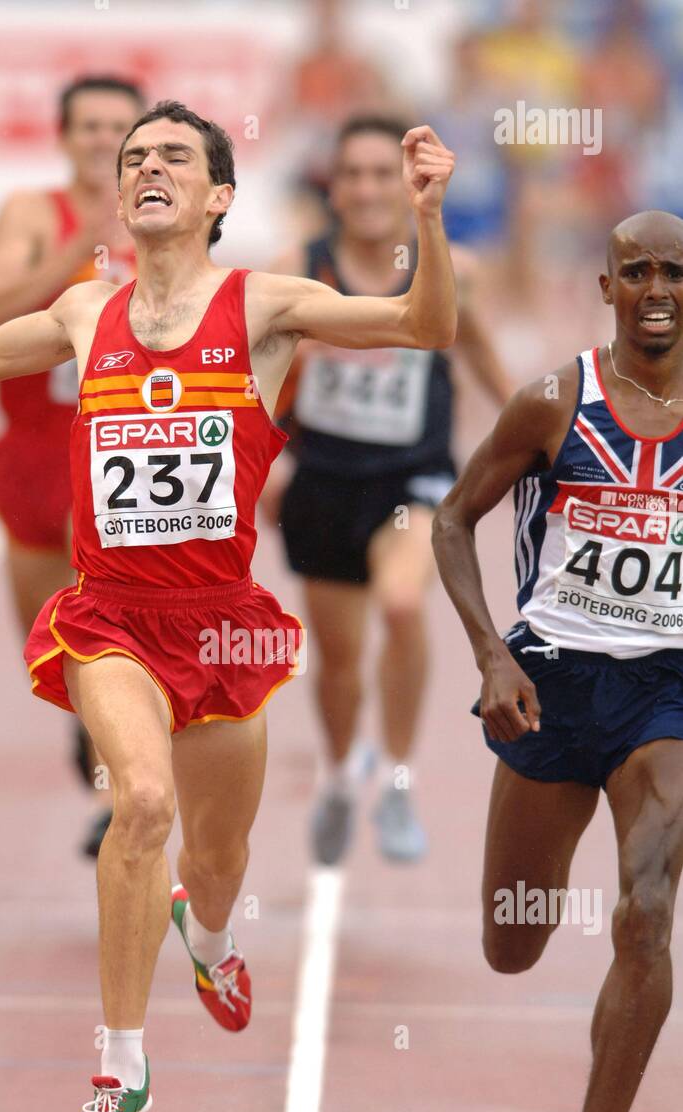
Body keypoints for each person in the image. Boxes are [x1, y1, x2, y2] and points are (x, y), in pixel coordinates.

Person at [0, 102, 456, 1112]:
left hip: (223, 627)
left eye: (174, 156)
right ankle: (120, 1068)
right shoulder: (88, 310)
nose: (147, 168)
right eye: (135, 157)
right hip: (111, 616)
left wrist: (430, 214)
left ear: (219, 195)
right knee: (138, 801)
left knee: (217, 862)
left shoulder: (267, 304)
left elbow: (424, 324)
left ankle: (214, 939)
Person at [432, 209, 683, 1112]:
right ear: (608, 287)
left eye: (675, 271)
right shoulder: (555, 401)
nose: (658, 288)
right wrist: (493, 655)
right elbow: (451, 520)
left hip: (664, 695)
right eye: (638, 272)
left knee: (647, 910)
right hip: (551, 687)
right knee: (512, 944)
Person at [268, 115, 509, 864]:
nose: (369, 189)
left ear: (407, 183)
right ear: (332, 188)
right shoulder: (295, 271)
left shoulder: (450, 268)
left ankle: (398, 781)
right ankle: (343, 774)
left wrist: (537, 443)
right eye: (354, 174)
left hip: (415, 478)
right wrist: (267, 463)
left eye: (384, 173)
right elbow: (252, 380)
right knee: (337, 662)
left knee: (402, 604)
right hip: (323, 482)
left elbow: (484, 361)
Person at [0, 75, 144, 857]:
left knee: (103, 628)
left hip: (114, 458)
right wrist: (78, 251)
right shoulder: (33, 213)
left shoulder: (163, 212)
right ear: (63, 134)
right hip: (32, 451)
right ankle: (96, 744)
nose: (102, 137)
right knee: (50, 651)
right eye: (89, 125)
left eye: (119, 125)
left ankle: (126, 785)